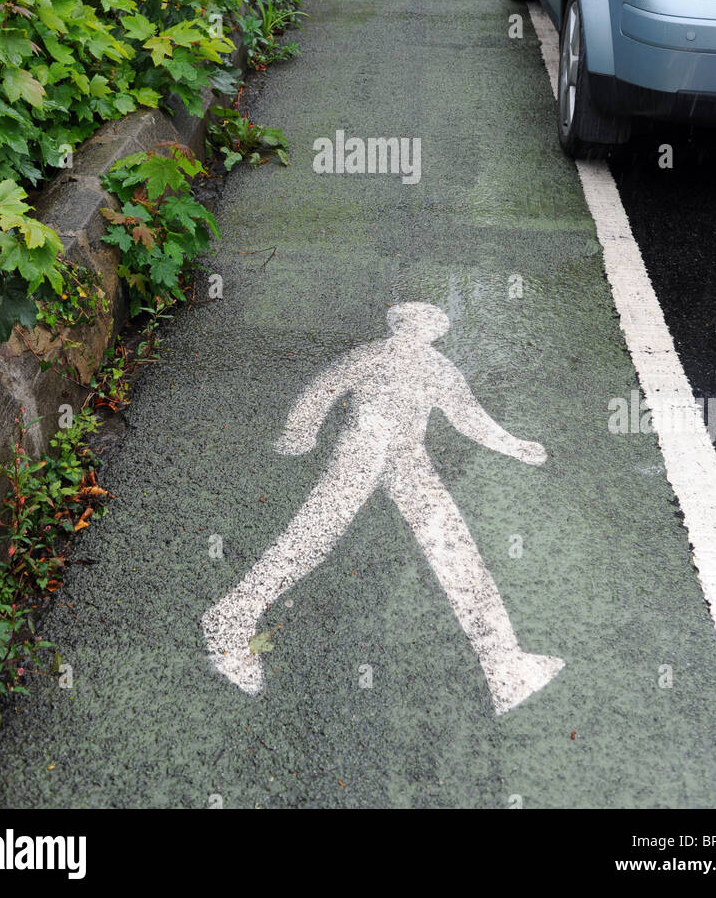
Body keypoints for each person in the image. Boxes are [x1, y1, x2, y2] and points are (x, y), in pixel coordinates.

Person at [202, 302, 564, 713]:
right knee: (312, 536)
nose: (418, 330)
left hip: (408, 459)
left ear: (435, 333)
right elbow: (326, 387)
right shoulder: (374, 355)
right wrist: (299, 431)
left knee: (451, 545)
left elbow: (470, 418)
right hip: (362, 451)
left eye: (426, 326)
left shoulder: (441, 370)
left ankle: (504, 660)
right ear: (400, 325)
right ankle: (231, 616)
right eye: (412, 323)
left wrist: (514, 446)